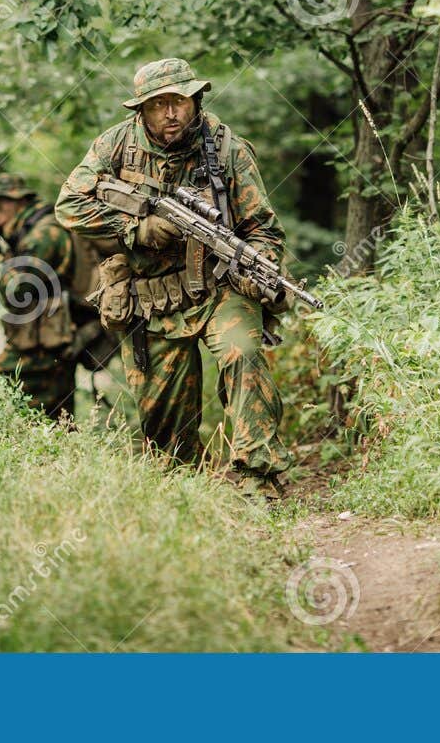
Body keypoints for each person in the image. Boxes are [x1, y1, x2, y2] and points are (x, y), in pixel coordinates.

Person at [55, 57, 291, 496]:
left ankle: (258, 476)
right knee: (166, 436)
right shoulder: (114, 147)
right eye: (159, 104)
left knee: (243, 354)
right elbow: (69, 207)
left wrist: (260, 262)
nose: (171, 113)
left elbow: (263, 227)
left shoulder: (228, 150)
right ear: (141, 110)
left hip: (221, 288)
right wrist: (135, 227)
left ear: (195, 100)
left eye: (180, 102)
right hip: (151, 297)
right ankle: (183, 487)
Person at [0, 174, 78, 422]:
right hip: (39, 339)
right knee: (54, 419)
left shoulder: (43, 235)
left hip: (47, 343)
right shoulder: (30, 232)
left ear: (18, 201)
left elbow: (19, 292)